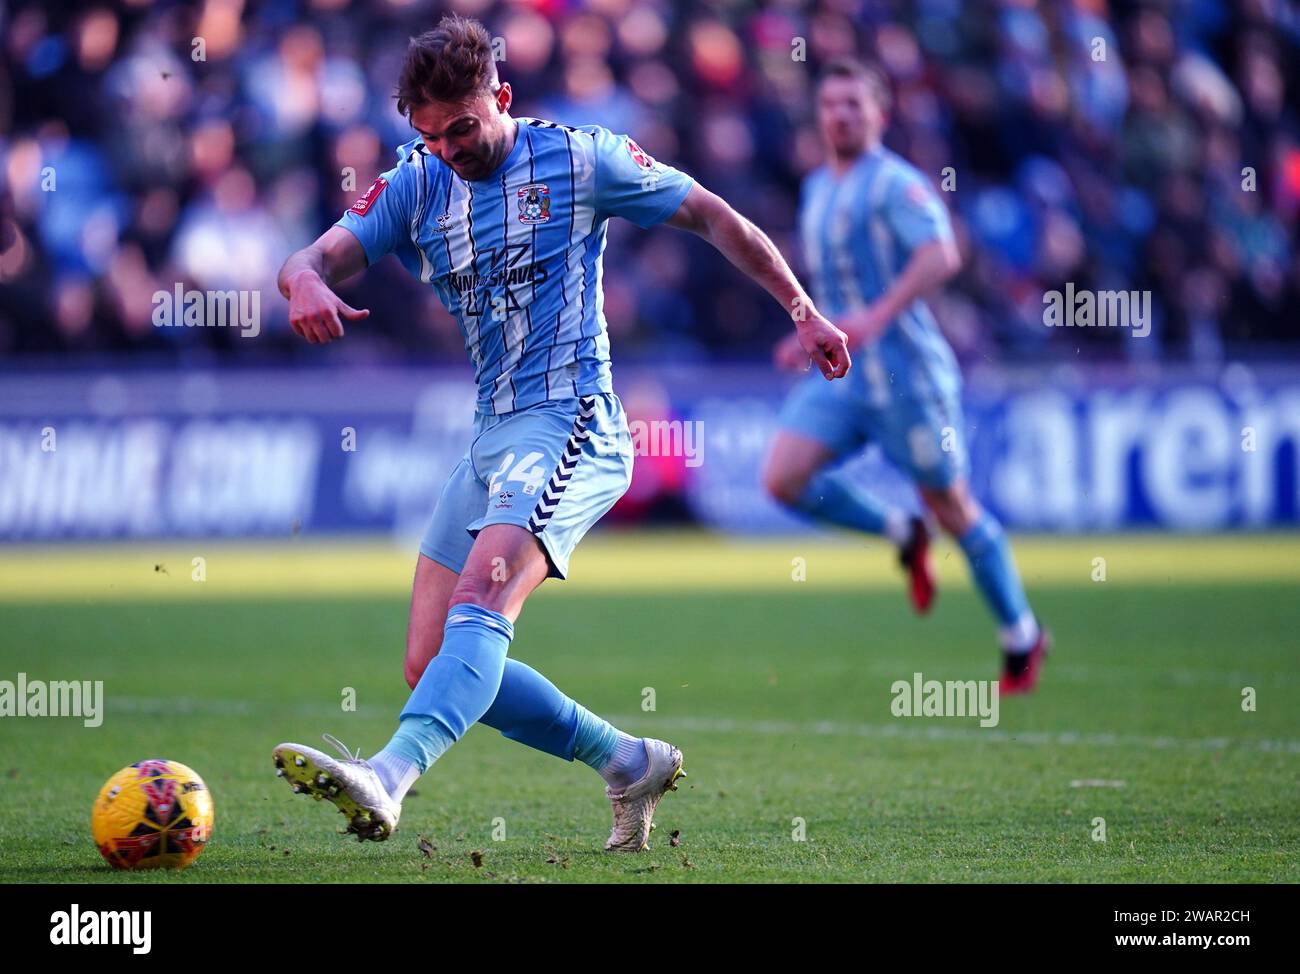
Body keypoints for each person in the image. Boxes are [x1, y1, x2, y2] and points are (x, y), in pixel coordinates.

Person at [271, 14, 851, 852]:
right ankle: (627, 760)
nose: (450, 148)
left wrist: (802, 311)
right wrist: (303, 285)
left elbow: (714, 215)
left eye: (463, 127)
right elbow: (310, 257)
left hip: (574, 420)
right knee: (430, 657)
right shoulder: (415, 181)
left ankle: (389, 775)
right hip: (492, 434)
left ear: (500, 98)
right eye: (430, 135)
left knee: (480, 601)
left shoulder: (582, 158)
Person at [762, 58, 1048, 694]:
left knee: (955, 507)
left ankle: (1022, 634)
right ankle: (902, 532)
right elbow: (842, 285)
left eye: (854, 105)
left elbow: (942, 254)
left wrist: (875, 317)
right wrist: (809, 329)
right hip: (844, 375)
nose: (840, 115)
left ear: (878, 115)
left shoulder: (895, 184)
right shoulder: (817, 188)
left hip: (908, 377)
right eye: (831, 104)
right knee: (781, 478)